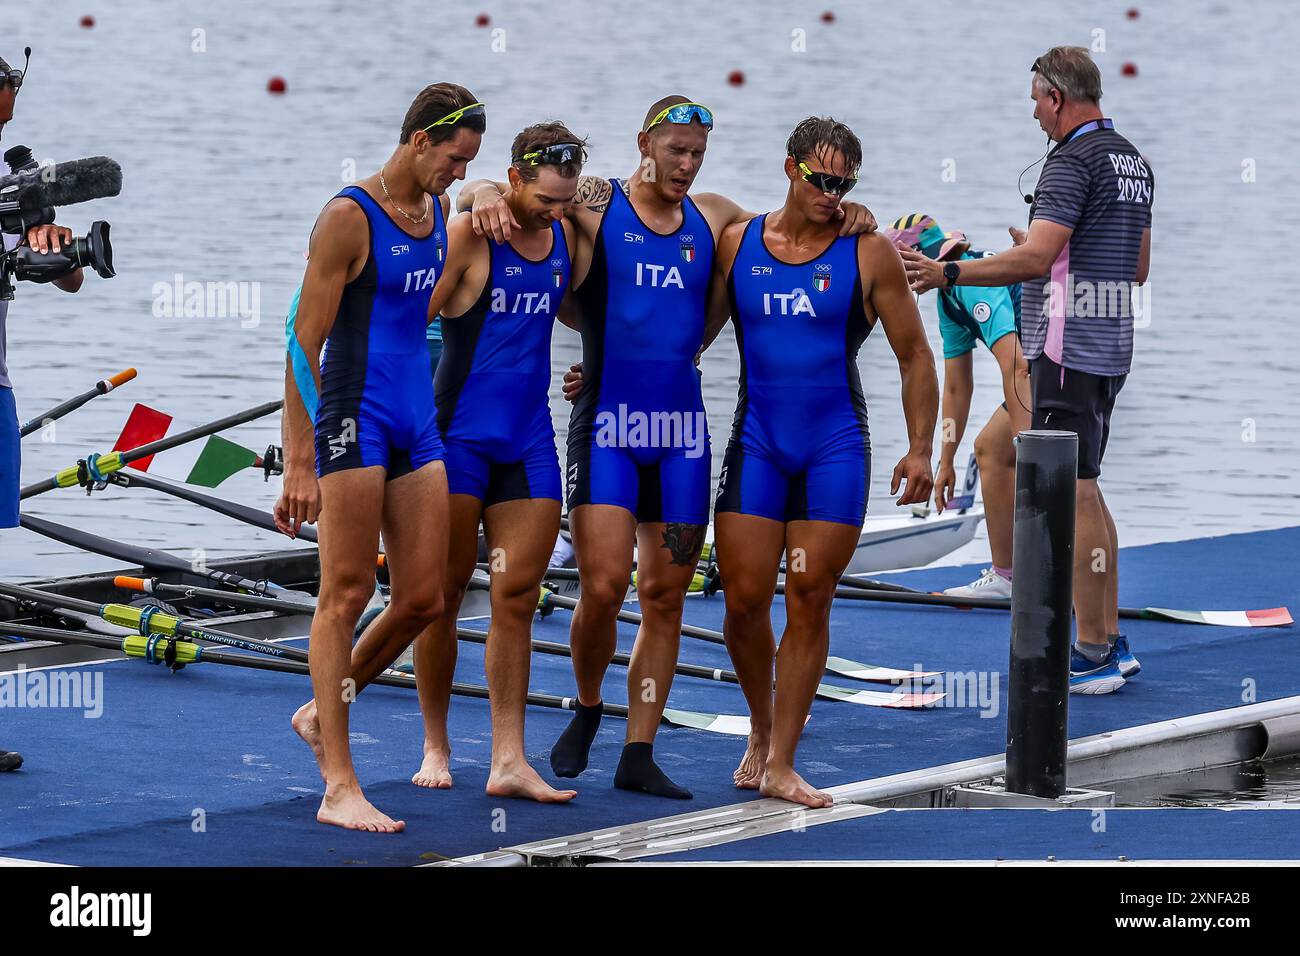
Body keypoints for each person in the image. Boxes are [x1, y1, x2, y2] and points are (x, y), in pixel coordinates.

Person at [462, 96, 877, 799]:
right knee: (602, 586)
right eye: (674, 150)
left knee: (666, 596)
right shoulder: (596, 203)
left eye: (697, 154)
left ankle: (639, 748)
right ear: (645, 144)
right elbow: (509, 191)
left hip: (682, 432)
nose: (685, 165)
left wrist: (856, 215)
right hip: (610, 427)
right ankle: (591, 706)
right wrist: (476, 194)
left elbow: (791, 226)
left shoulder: (715, 217)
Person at [337, 122, 586, 802]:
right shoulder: (474, 235)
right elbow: (404, 321)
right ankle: (433, 743)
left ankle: (508, 758)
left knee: (516, 598)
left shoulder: (568, 231)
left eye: (566, 202)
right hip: (454, 439)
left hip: (529, 440)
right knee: (437, 601)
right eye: (544, 201)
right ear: (514, 181)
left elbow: (642, 202)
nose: (555, 213)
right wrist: (471, 198)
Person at [901, 46, 1152, 694]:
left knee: (1077, 490)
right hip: (1111, 342)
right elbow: (1136, 268)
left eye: (1037, 100)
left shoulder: (1071, 160)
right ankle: (1109, 638)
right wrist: (1051, 260)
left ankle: (1094, 649)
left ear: (1059, 97)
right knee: (1083, 482)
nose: (1035, 114)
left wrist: (949, 272)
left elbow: (1039, 260)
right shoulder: (1131, 160)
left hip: (1067, 350)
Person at [706, 119, 937, 807]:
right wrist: (596, 376)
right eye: (821, 179)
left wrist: (923, 447)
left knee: (810, 598)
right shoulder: (737, 244)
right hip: (759, 443)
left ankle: (781, 760)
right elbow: (683, 335)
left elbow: (916, 354)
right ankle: (760, 723)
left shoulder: (868, 253)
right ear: (790, 168)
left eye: (844, 185)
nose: (832, 195)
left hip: (834, 445)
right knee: (745, 599)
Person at [275, 84, 484, 831]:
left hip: (415, 423)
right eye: (454, 160)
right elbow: (301, 340)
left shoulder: (434, 219)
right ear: (421, 139)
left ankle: (318, 713)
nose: (458, 176)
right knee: (346, 593)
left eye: (470, 167)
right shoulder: (347, 217)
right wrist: (300, 459)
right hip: (352, 419)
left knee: (426, 597)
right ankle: (339, 785)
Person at [886, 214, 1030, 599]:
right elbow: (956, 387)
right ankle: (1010, 576)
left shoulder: (971, 285)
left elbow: (1016, 364)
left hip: (1051, 372)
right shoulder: (950, 300)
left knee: (1024, 464)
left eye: (898, 265)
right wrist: (945, 459)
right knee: (989, 449)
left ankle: (1033, 576)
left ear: (919, 257)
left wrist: (1029, 443)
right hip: (1037, 375)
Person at [1, 53, 85, 533]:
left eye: (3, 125)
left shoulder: (13, 186)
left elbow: (72, 281)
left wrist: (52, 242)